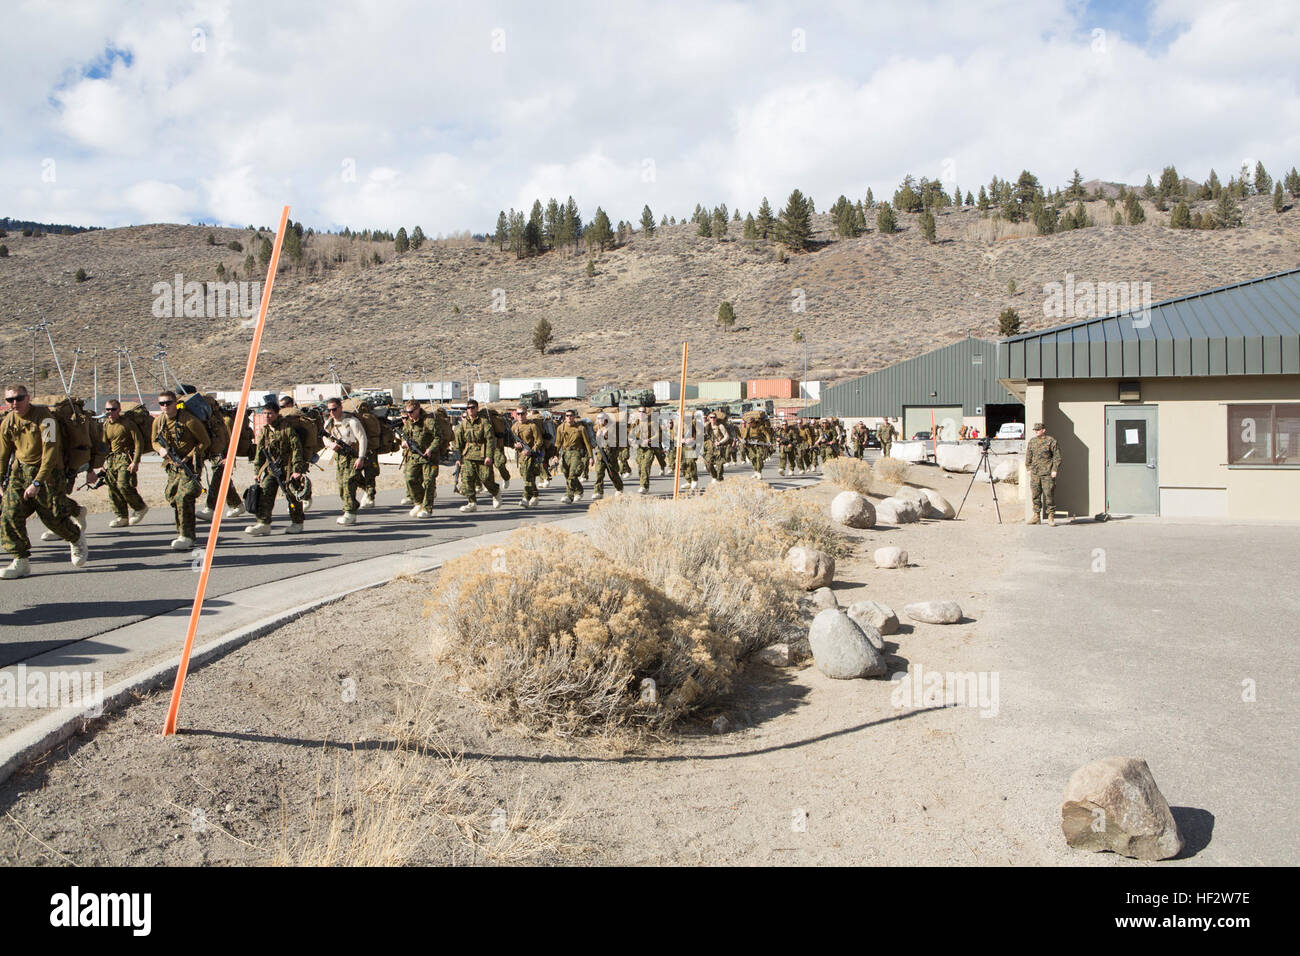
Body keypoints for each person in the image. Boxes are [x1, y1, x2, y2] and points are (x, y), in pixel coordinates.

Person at [0, 385, 88, 578]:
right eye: (9, 400)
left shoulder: (44, 417)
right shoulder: (8, 421)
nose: (14, 403)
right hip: (20, 472)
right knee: (9, 513)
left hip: (48, 472)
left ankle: (76, 538)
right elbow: (3, 454)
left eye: (19, 398)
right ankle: (20, 560)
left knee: (52, 517)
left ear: (28, 398)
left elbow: (50, 452)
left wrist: (38, 482)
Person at [151, 389, 210, 551]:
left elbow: (204, 442)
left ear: (175, 403)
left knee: (184, 498)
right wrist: (160, 450)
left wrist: (189, 457)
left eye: (168, 403)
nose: (165, 407)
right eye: (161, 404)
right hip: (172, 466)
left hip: (189, 465)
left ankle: (187, 536)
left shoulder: (189, 420)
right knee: (173, 498)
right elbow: (154, 441)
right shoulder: (159, 421)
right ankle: (183, 532)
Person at [246, 397, 306, 535]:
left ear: (277, 414)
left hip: (287, 469)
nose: (267, 416)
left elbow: (296, 448)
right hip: (271, 469)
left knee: (291, 495)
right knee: (265, 494)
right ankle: (263, 523)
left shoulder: (286, 428)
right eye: (265, 413)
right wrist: (257, 472)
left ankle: (297, 522)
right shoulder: (265, 431)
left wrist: (297, 470)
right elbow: (259, 453)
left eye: (270, 413)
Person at [99, 400, 149, 528]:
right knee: (112, 488)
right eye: (107, 410)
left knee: (123, 485)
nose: (110, 412)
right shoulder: (106, 425)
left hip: (125, 458)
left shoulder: (128, 424)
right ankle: (121, 516)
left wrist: (135, 461)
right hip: (112, 459)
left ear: (119, 410)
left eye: (113, 409)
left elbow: (139, 443)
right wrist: (101, 463)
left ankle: (140, 507)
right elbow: (105, 445)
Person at [321, 397, 368, 526]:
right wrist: (330, 445)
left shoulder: (352, 422)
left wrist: (361, 457)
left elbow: (362, 439)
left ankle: (350, 513)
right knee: (341, 485)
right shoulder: (329, 423)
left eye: (334, 409)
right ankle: (366, 491)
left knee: (348, 483)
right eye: (329, 410)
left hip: (353, 456)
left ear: (340, 408)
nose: (332, 412)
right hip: (340, 458)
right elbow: (324, 437)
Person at [455, 399, 500, 513]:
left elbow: (490, 440)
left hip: (482, 455)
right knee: (467, 479)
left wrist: (489, 456)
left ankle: (495, 492)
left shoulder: (484, 422)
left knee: (486, 479)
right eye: (468, 408)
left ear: (477, 408)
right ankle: (472, 503)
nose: (470, 410)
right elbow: (459, 442)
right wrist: (458, 458)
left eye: (472, 407)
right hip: (468, 455)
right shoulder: (464, 424)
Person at [399, 400, 441, 517]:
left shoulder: (428, 421)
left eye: (411, 412)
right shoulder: (408, 422)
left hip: (429, 457)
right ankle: (418, 502)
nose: (409, 414)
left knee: (428, 482)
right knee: (409, 479)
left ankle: (427, 508)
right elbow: (405, 435)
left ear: (418, 409)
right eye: (407, 412)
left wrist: (430, 449)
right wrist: (404, 443)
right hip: (414, 456)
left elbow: (438, 437)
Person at [554, 409, 594, 503]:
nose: (569, 417)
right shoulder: (561, 428)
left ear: (574, 416)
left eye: (571, 415)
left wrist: (591, 457)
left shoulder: (580, 428)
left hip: (576, 454)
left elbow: (587, 443)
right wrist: (555, 455)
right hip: (565, 453)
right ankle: (579, 490)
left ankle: (569, 495)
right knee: (566, 474)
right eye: (567, 415)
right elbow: (558, 443)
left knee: (572, 475)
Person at [1025, 422, 1061, 525]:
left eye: (1038, 429)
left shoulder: (1051, 441)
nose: (1036, 431)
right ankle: (1036, 516)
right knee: (1035, 495)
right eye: (1035, 430)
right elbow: (1028, 455)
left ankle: (1051, 516)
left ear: (1043, 430)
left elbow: (1057, 457)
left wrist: (1054, 470)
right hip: (1035, 473)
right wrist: (1028, 468)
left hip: (1047, 473)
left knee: (1049, 495)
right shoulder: (1032, 441)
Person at [511, 405, 546, 508]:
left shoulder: (532, 426)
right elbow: (511, 441)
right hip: (521, 456)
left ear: (526, 414)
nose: (520, 416)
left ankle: (525, 498)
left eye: (522, 413)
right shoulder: (514, 427)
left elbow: (539, 441)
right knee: (527, 477)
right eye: (518, 414)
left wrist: (531, 451)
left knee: (527, 477)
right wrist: (515, 446)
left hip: (532, 456)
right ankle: (535, 495)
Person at [590, 412, 624, 500]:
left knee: (612, 473)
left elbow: (616, 441)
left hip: (610, 454)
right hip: (600, 453)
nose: (599, 421)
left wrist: (606, 436)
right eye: (598, 419)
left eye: (601, 418)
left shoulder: (612, 427)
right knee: (599, 473)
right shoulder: (596, 428)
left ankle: (619, 488)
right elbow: (593, 440)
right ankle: (598, 492)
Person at [703, 409, 731, 483]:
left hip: (719, 448)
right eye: (711, 417)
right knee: (707, 463)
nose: (713, 419)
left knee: (720, 466)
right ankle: (714, 476)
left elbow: (726, 436)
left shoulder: (720, 426)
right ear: (709, 418)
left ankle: (719, 478)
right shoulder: (706, 426)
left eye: (714, 417)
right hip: (710, 448)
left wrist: (720, 442)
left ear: (716, 418)